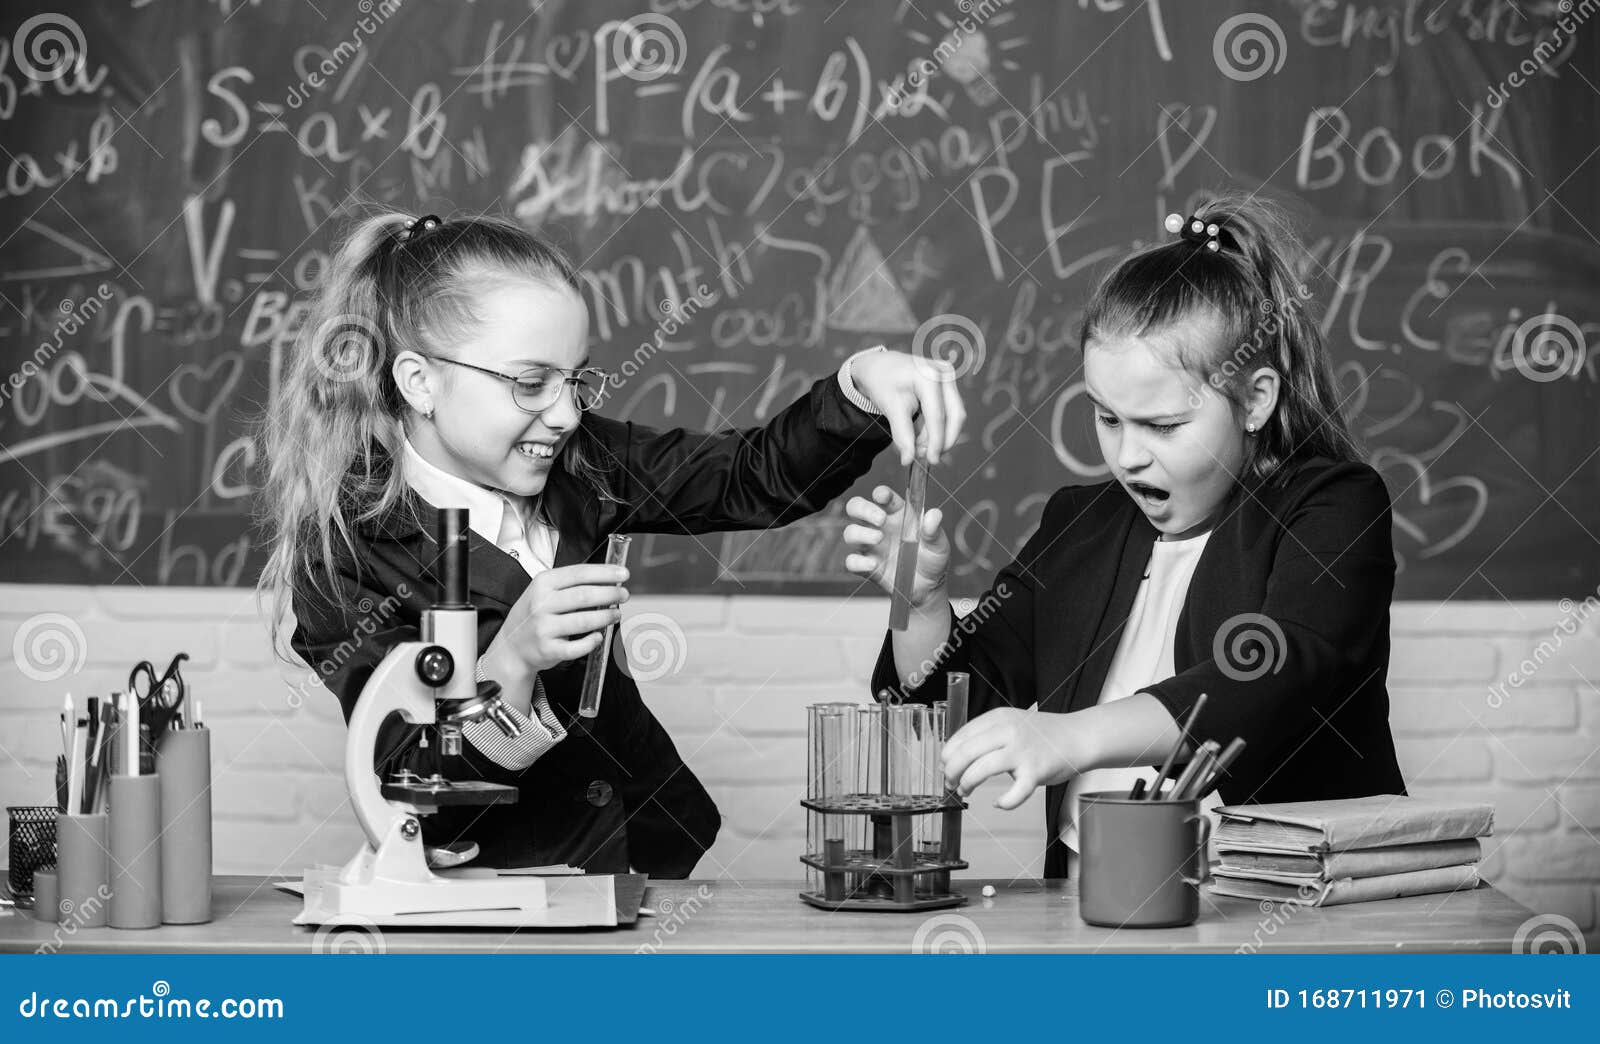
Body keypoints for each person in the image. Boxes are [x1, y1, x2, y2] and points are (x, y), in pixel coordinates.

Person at [257, 211, 965, 877]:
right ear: (420, 382)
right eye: (531, 383)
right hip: (498, 900)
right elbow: (416, 797)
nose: (566, 413)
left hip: (642, 861)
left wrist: (860, 387)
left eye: (575, 380)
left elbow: (752, 476)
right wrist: (512, 659)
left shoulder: (580, 463)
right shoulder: (344, 554)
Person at [844, 197, 1406, 877]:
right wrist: (925, 603)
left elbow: (1277, 674)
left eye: (1163, 426)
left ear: (1256, 399)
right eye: (1107, 419)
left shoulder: (1334, 504)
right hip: (1092, 907)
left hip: (1274, 914)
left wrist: (1071, 736)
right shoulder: (1079, 524)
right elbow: (949, 704)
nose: (1127, 457)